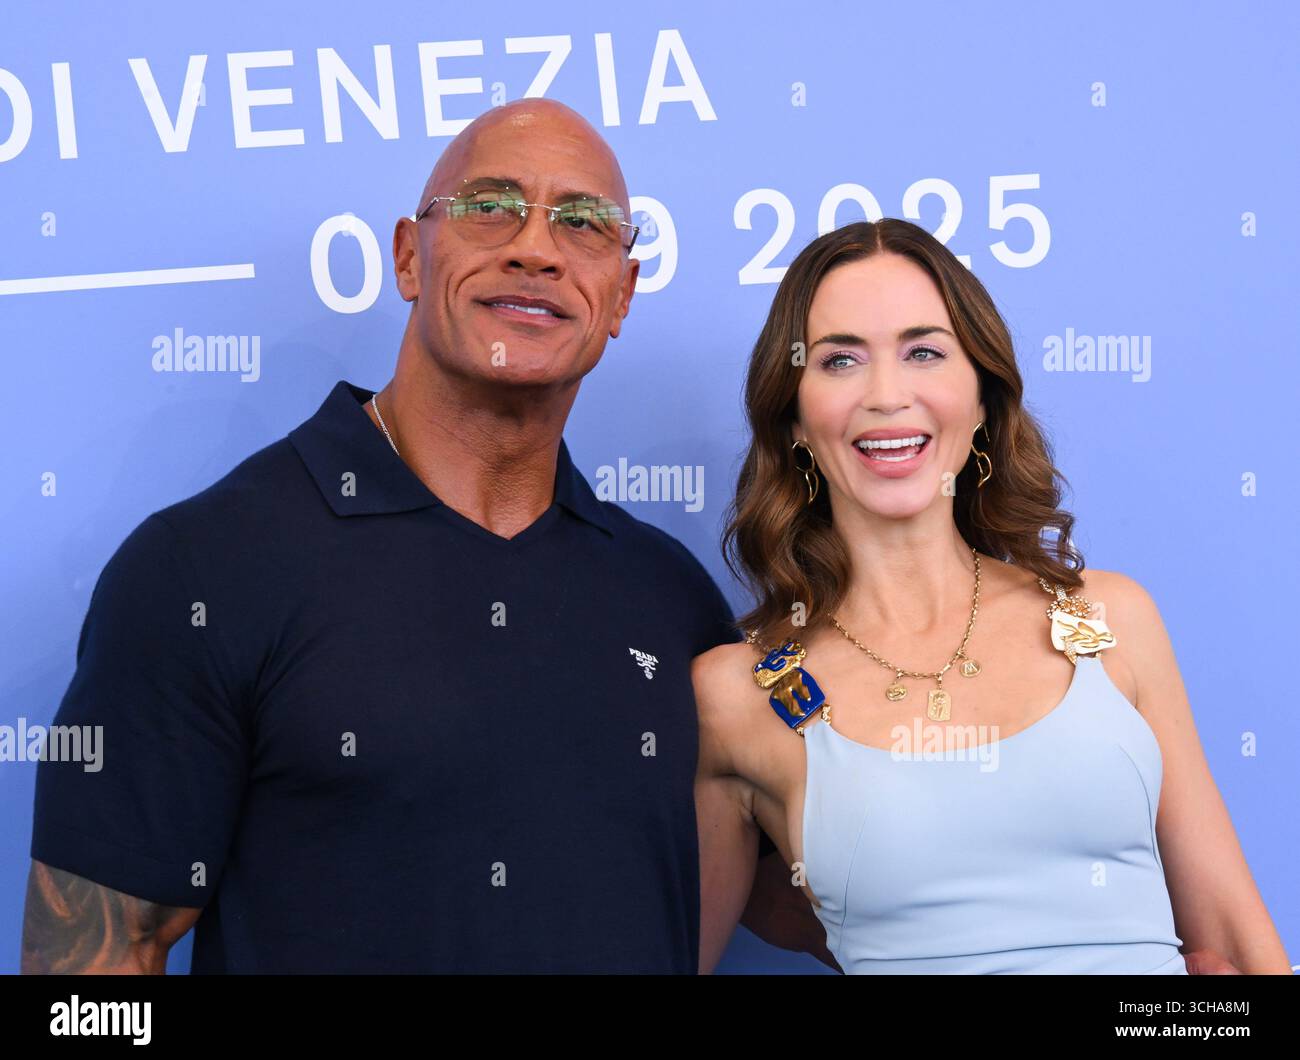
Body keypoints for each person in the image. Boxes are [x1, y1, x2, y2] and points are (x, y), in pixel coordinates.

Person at [22, 98, 803, 974]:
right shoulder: (204, 567)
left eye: (584, 224)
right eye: (490, 206)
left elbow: (819, 894)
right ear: (407, 256)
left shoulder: (670, 598)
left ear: (619, 295)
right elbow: (91, 965)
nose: (537, 247)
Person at [693, 219, 1290, 975]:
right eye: (841, 359)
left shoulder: (1109, 620)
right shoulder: (736, 697)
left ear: (981, 399)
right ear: (795, 421)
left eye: (924, 351)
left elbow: (1234, 948)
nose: (886, 393)